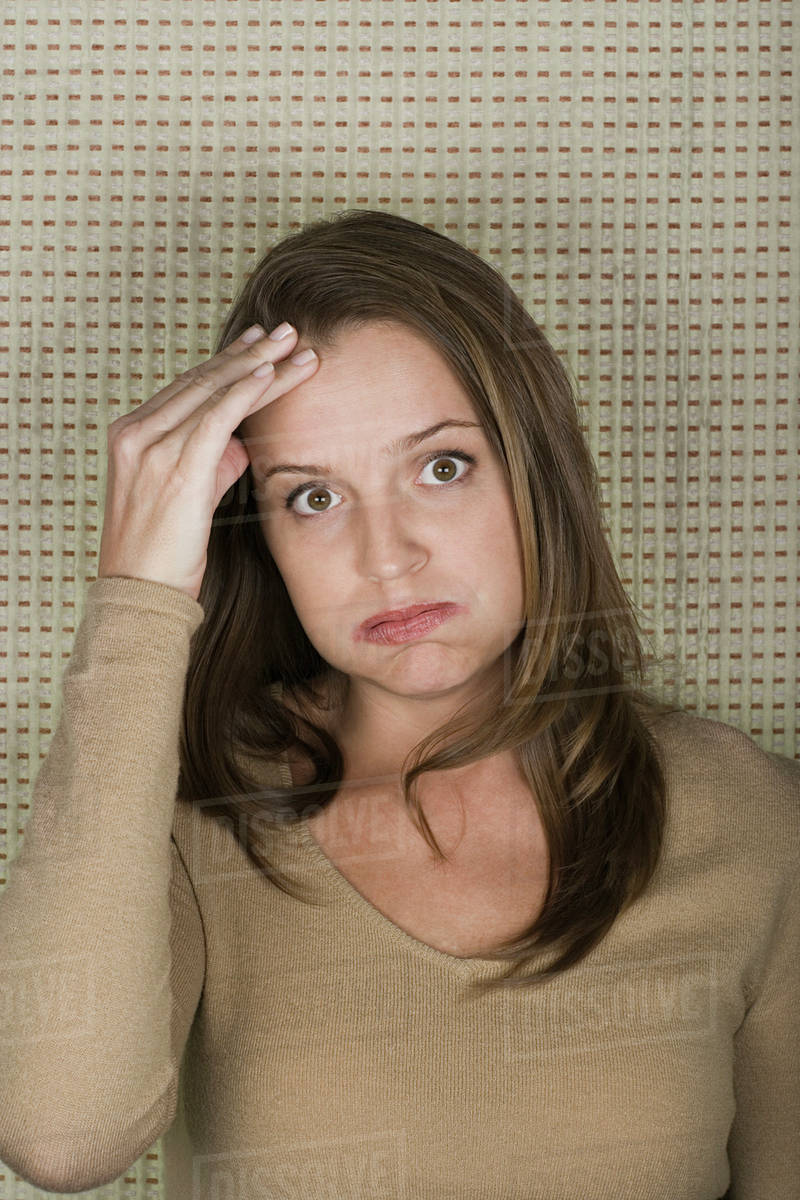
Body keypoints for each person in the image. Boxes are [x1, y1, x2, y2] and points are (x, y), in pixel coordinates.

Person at [0, 209, 796, 1199]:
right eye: (313, 497)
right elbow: (60, 1137)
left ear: (536, 472)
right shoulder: (184, 811)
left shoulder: (752, 819)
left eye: (441, 467)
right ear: (257, 532)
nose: (386, 557)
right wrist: (136, 596)